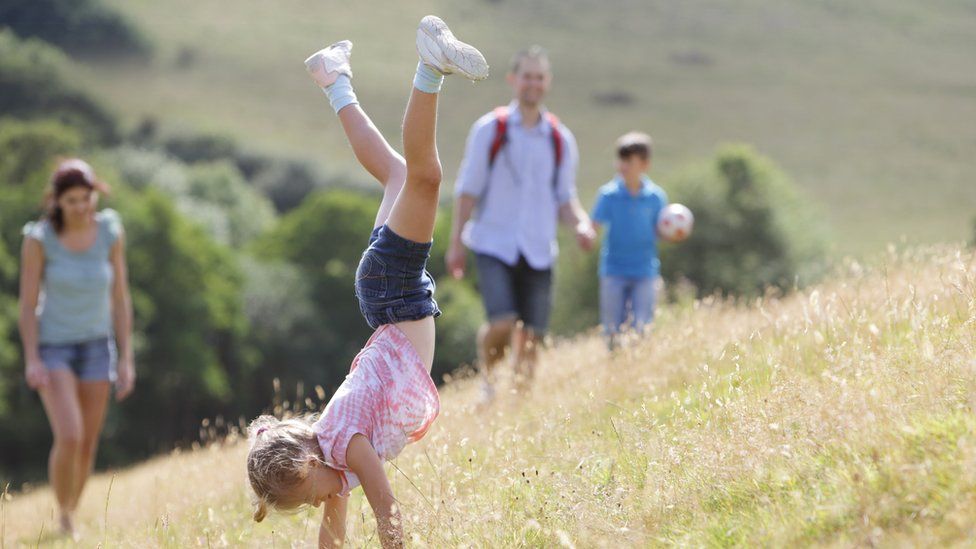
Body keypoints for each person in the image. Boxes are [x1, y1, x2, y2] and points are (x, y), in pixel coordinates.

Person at [245, 16, 488, 548]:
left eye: (310, 495)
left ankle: (429, 66)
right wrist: (325, 509)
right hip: (386, 295)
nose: (322, 501)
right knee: (402, 176)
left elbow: (385, 507)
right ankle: (335, 80)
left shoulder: (346, 445)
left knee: (424, 178)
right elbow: (332, 534)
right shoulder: (329, 455)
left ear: (308, 461)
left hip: (393, 294)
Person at [445, 45, 595, 400]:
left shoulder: (561, 140)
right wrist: (455, 245)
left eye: (540, 77)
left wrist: (581, 224)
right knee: (502, 322)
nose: (533, 84)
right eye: (527, 76)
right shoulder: (489, 129)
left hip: (540, 248)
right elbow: (468, 191)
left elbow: (565, 197)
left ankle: (521, 405)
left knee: (532, 335)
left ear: (548, 83)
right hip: (492, 243)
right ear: (513, 80)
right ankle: (490, 382)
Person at [18, 158, 136, 537]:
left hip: (98, 347)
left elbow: (120, 298)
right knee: (68, 434)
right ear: (56, 202)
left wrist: (127, 358)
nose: (82, 207)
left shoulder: (110, 231)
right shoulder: (39, 239)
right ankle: (64, 516)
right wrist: (32, 357)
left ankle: (71, 511)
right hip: (55, 349)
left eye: (86, 198)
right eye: (72, 201)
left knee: (86, 443)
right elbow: (26, 303)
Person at [590, 132, 668, 350]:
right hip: (613, 270)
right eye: (621, 160)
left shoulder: (656, 197)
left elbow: (660, 231)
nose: (623, 166)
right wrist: (587, 236)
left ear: (644, 164)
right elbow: (593, 226)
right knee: (612, 328)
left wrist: (673, 233)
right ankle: (615, 367)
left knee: (642, 326)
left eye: (629, 161)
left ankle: (636, 367)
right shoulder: (608, 195)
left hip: (645, 270)